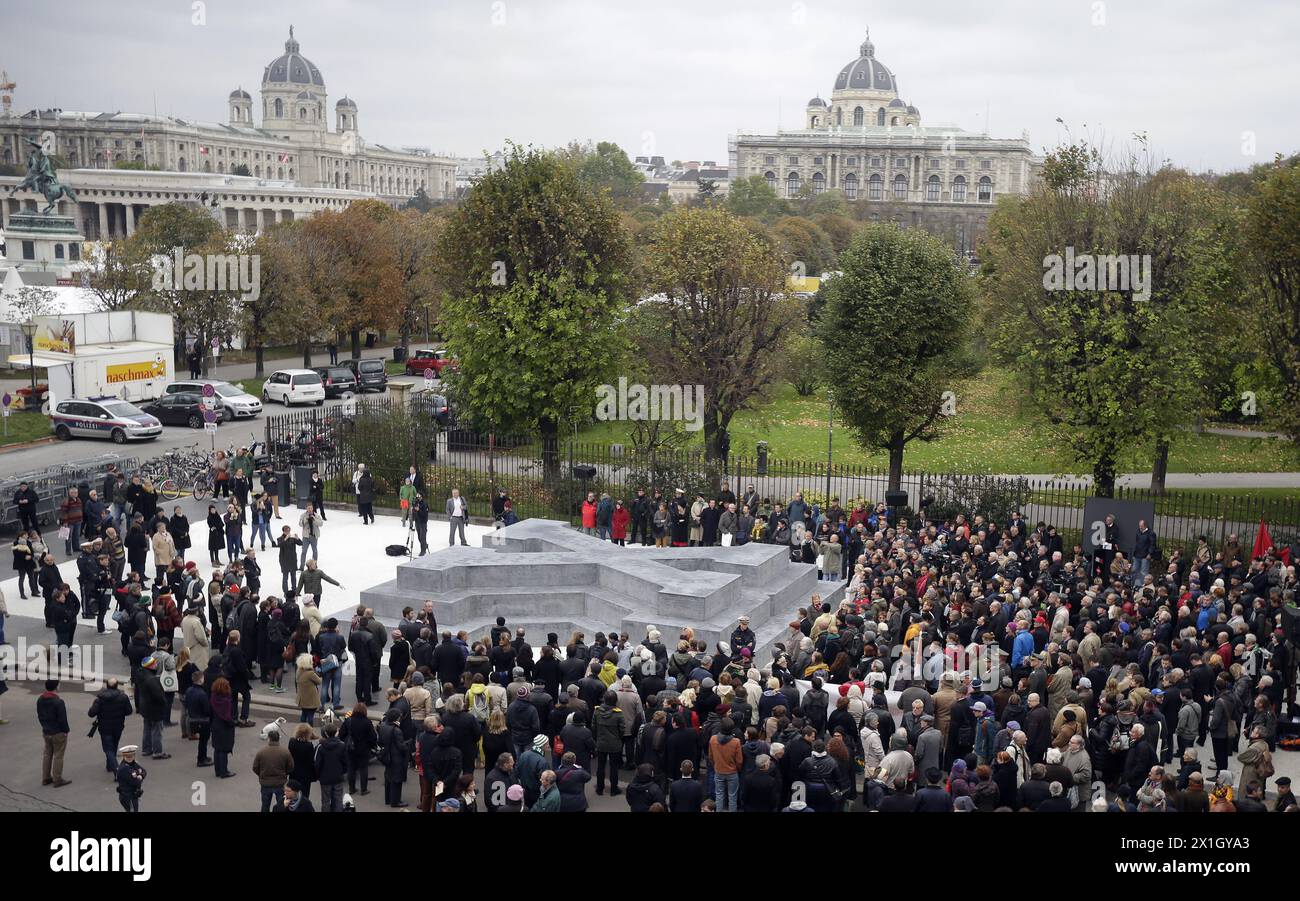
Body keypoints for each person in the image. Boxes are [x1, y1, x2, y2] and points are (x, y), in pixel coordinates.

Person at [38, 680, 72, 787]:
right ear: (56, 687)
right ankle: (57, 779)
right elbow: (62, 719)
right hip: (58, 732)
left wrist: (44, 726)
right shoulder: (58, 702)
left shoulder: (40, 699)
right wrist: (66, 731)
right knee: (58, 755)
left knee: (47, 754)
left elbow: (39, 715)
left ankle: (46, 777)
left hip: (46, 731)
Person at [252, 728, 294, 812]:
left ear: (269, 738)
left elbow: (255, 767)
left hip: (265, 783)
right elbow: (291, 767)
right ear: (278, 738)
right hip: (280, 783)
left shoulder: (261, 752)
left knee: (265, 805)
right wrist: (285, 774)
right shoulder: (285, 752)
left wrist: (261, 775)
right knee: (282, 806)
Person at [115, 745, 147, 812]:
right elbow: (136, 782)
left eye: (131, 756)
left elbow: (144, 771)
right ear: (124, 756)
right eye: (128, 756)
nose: (130, 758)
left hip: (132, 795)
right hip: (128, 797)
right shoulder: (124, 768)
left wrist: (140, 776)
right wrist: (139, 777)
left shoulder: (133, 763)